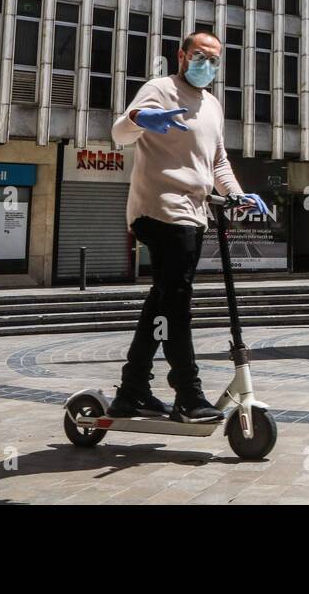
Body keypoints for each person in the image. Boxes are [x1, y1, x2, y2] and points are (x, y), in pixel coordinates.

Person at [109, 32, 269, 423]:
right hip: (159, 209)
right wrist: (140, 119)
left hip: (193, 215)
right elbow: (120, 133)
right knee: (177, 301)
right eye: (200, 56)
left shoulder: (212, 105)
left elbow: (217, 163)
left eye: (215, 60)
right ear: (181, 55)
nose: (207, 65)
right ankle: (187, 393)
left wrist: (237, 194)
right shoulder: (160, 89)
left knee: (162, 299)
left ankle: (133, 391)